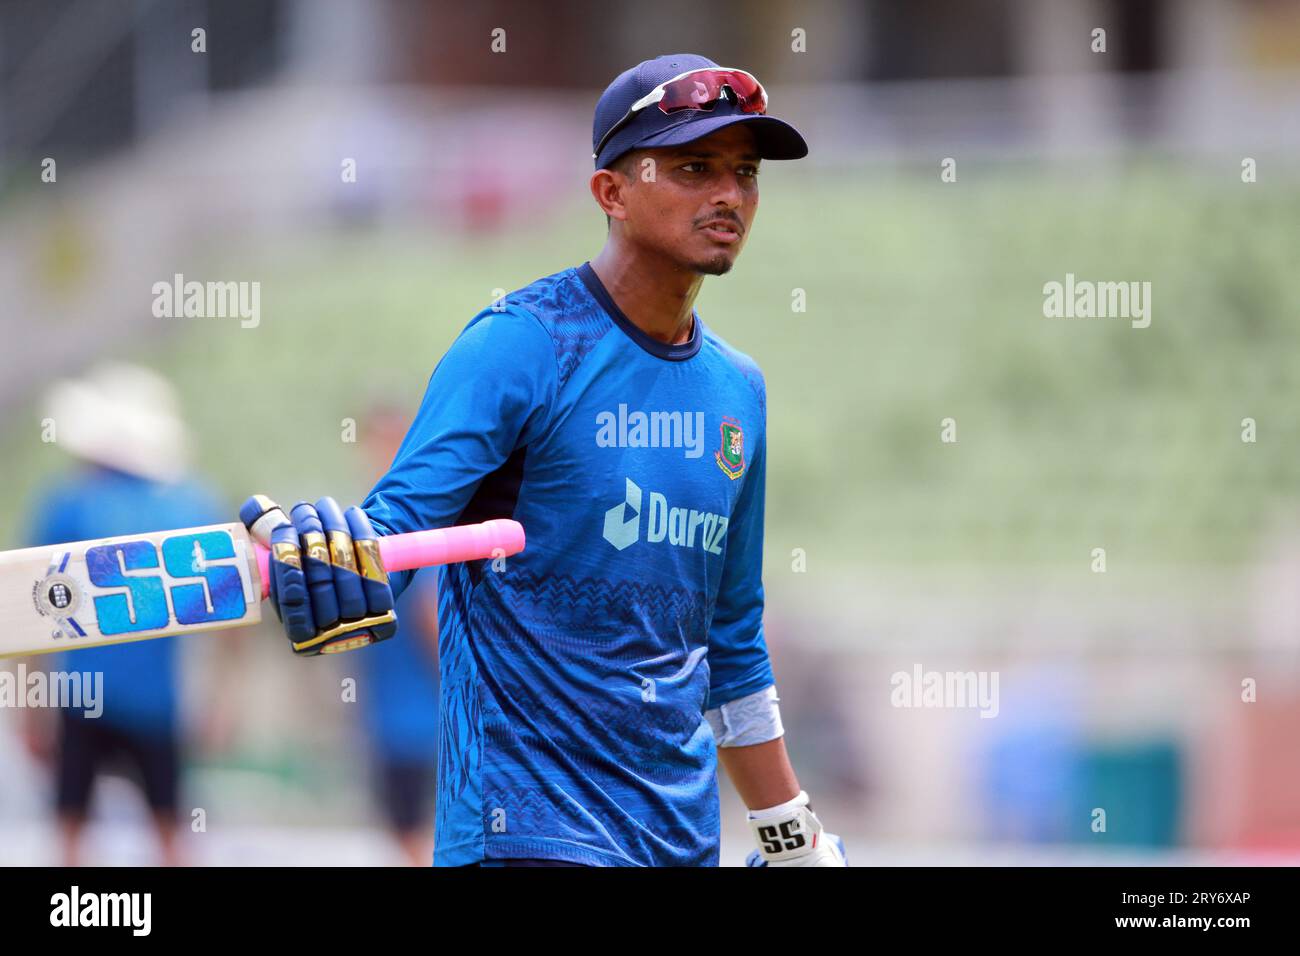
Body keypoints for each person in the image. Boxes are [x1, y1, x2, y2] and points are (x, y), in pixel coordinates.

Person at [240, 54, 847, 867]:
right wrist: (329, 568)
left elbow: (731, 647)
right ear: (613, 193)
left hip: (680, 843)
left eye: (744, 173)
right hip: (526, 836)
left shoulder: (739, 390)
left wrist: (792, 841)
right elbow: (391, 541)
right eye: (696, 167)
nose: (730, 195)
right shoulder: (520, 344)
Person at [22, 362, 237, 866]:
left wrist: (30, 710)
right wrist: (222, 700)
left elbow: (29, 608)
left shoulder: (69, 504)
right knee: (171, 831)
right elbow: (230, 611)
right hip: (157, 703)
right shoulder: (192, 505)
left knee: (70, 830)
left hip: (82, 697)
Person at [355, 404, 441, 865]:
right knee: (407, 830)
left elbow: (431, 621)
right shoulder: (383, 517)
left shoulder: (414, 520)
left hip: (419, 723)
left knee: (415, 833)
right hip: (394, 718)